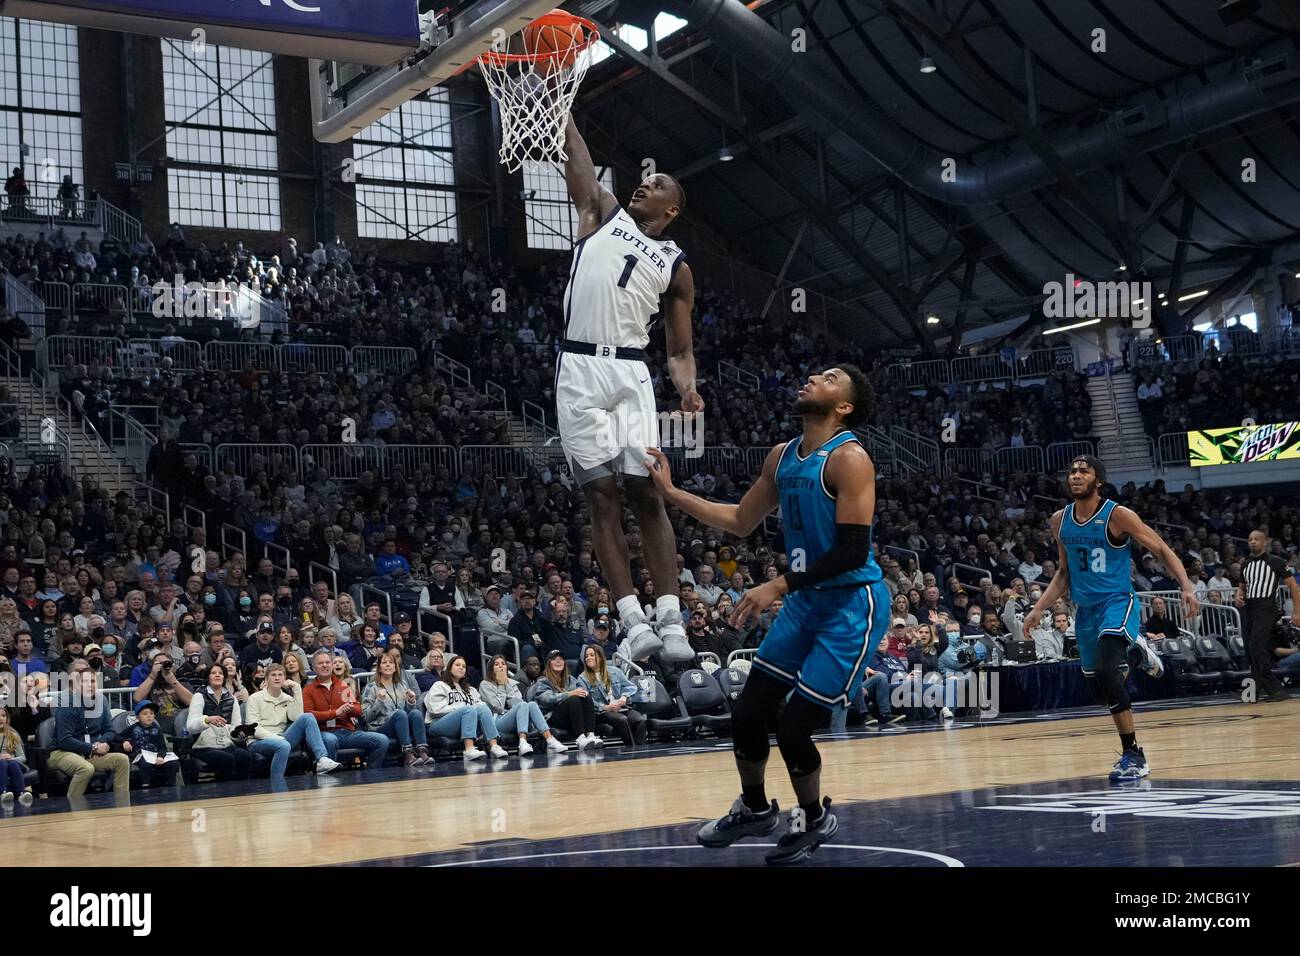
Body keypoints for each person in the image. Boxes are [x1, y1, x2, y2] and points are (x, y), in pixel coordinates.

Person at [645, 364, 887, 865]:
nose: (813, 379)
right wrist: (673, 496)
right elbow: (739, 519)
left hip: (849, 604)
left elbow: (850, 552)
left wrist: (776, 585)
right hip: (804, 603)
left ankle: (814, 816)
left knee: (796, 725)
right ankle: (755, 807)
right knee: (750, 710)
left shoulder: (850, 459)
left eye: (830, 378)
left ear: (844, 406)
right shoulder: (781, 457)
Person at [556, 115, 699, 666]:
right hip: (577, 367)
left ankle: (671, 617)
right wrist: (560, 105)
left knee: (646, 493)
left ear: (672, 210)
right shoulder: (601, 213)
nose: (645, 184)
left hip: (633, 372)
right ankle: (632, 622)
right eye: (644, 179)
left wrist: (686, 389)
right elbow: (579, 162)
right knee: (599, 495)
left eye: (658, 183)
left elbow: (680, 351)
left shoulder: (676, 266)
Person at [1023, 455, 1199, 783]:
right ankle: (1136, 652)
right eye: (1072, 471)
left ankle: (1133, 753)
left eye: (1083, 471)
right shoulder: (1059, 520)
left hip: (1117, 603)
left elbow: (1160, 548)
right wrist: (1038, 609)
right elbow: (1063, 573)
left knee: (1106, 669)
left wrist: (1186, 587)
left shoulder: (1117, 515)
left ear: (1097, 480)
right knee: (1100, 690)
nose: (1075, 475)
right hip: (1085, 611)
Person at [245, 662, 340, 781]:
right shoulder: (254, 698)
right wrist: (275, 738)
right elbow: (253, 729)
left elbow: (296, 717)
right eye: (273, 675)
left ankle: (322, 759)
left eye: (280, 675)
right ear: (267, 679)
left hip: (281, 737)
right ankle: (277, 783)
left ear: (285, 679)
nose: (277, 677)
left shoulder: (287, 698)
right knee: (283, 745)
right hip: (257, 741)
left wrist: (297, 689)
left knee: (308, 717)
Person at [1235, 530, 1300, 702]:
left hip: (1267, 606)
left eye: (1257, 539)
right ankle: (1257, 690)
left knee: (1256, 646)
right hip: (1250, 607)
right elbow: (1242, 587)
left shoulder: (1276, 561)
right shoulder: (1246, 564)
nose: (1253, 542)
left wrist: (1297, 611)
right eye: (1250, 540)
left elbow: (1293, 586)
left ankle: (1273, 689)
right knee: (1251, 649)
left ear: (1264, 543)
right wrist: (1238, 595)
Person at [49, 669, 132, 796]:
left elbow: (109, 730)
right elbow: (64, 740)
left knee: (122, 760)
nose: (89, 685)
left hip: (88, 753)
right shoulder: (68, 705)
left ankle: (122, 805)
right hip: (62, 752)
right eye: (85, 681)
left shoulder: (101, 701)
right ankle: (73, 807)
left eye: (93, 681)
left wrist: (102, 742)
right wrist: (93, 747)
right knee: (85, 769)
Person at [302, 650, 389, 768]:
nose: (325, 665)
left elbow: (358, 710)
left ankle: (372, 774)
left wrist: (350, 708)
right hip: (323, 732)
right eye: (320, 663)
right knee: (330, 740)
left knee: (381, 740)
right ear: (314, 667)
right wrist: (335, 713)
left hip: (348, 733)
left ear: (332, 665)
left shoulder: (343, 686)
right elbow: (308, 715)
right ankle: (329, 776)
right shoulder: (308, 690)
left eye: (328, 662)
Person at [478, 654, 568, 755]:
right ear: (491, 668)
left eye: (503, 664)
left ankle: (550, 740)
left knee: (531, 704)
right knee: (523, 705)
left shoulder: (512, 683)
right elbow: (497, 707)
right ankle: (523, 743)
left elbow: (517, 704)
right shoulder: (485, 684)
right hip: (496, 721)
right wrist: (502, 685)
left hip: (514, 718)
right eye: (497, 664)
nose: (500, 666)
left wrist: (506, 684)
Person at [424, 655, 506, 760]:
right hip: (438, 724)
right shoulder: (440, 685)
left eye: (464, 666)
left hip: (464, 725)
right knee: (469, 709)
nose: (461, 667)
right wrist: (460, 709)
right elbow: (434, 708)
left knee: (484, 708)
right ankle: (469, 749)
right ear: (449, 669)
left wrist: (468, 709)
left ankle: (494, 746)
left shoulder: (471, 690)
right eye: (457, 665)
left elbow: (480, 706)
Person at [186, 662, 253, 782]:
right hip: (204, 747)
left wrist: (239, 734)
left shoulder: (231, 699)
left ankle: (242, 791)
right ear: (208, 677)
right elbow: (191, 726)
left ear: (224, 677)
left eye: (220, 673)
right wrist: (207, 720)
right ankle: (223, 793)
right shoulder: (199, 696)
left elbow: (235, 726)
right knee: (226, 759)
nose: (217, 675)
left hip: (226, 744)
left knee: (245, 756)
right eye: (213, 673)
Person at [361, 654, 430, 766]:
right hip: (379, 728)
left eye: (391, 662)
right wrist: (379, 701)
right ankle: (408, 753)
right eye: (384, 662)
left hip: (401, 727)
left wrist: (411, 702)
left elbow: (410, 713)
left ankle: (422, 751)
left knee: (416, 713)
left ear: (395, 667)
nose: (388, 665)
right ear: (379, 668)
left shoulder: (401, 686)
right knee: (400, 714)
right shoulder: (371, 687)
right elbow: (366, 717)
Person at [529, 648, 600, 749]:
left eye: (561, 659)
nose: (558, 661)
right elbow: (548, 699)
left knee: (585, 695)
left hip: (572, 716)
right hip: (552, 718)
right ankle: (580, 738)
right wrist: (569, 694)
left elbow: (582, 692)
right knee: (574, 698)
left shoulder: (571, 679)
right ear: (549, 664)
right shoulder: (543, 681)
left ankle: (590, 735)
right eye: (554, 659)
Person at [578, 644, 646, 746]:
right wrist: (606, 707)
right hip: (601, 712)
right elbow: (587, 701)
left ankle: (642, 751)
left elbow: (631, 686)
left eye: (592, 655)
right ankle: (633, 751)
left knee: (639, 720)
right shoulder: (582, 678)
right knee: (622, 720)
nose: (588, 658)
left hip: (621, 708)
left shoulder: (615, 671)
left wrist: (624, 696)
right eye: (586, 656)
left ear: (600, 657)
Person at [126, 700, 180, 789]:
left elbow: (162, 747)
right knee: (145, 763)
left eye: (151, 713)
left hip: (155, 755)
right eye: (145, 714)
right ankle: (145, 786)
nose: (149, 716)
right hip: (140, 755)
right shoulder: (133, 728)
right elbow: (118, 736)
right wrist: (125, 741)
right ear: (137, 717)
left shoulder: (157, 729)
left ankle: (171, 786)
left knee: (172, 763)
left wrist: (160, 756)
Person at [0, 705, 34, 805]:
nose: (1, 718)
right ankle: (3, 793)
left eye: (3, 716)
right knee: (2, 763)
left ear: (7, 719)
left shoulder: (12, 735)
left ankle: (22, 794)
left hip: (14, 764)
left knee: (11, 763)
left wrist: (11, 757)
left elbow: (23, 758)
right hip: (1, 765)